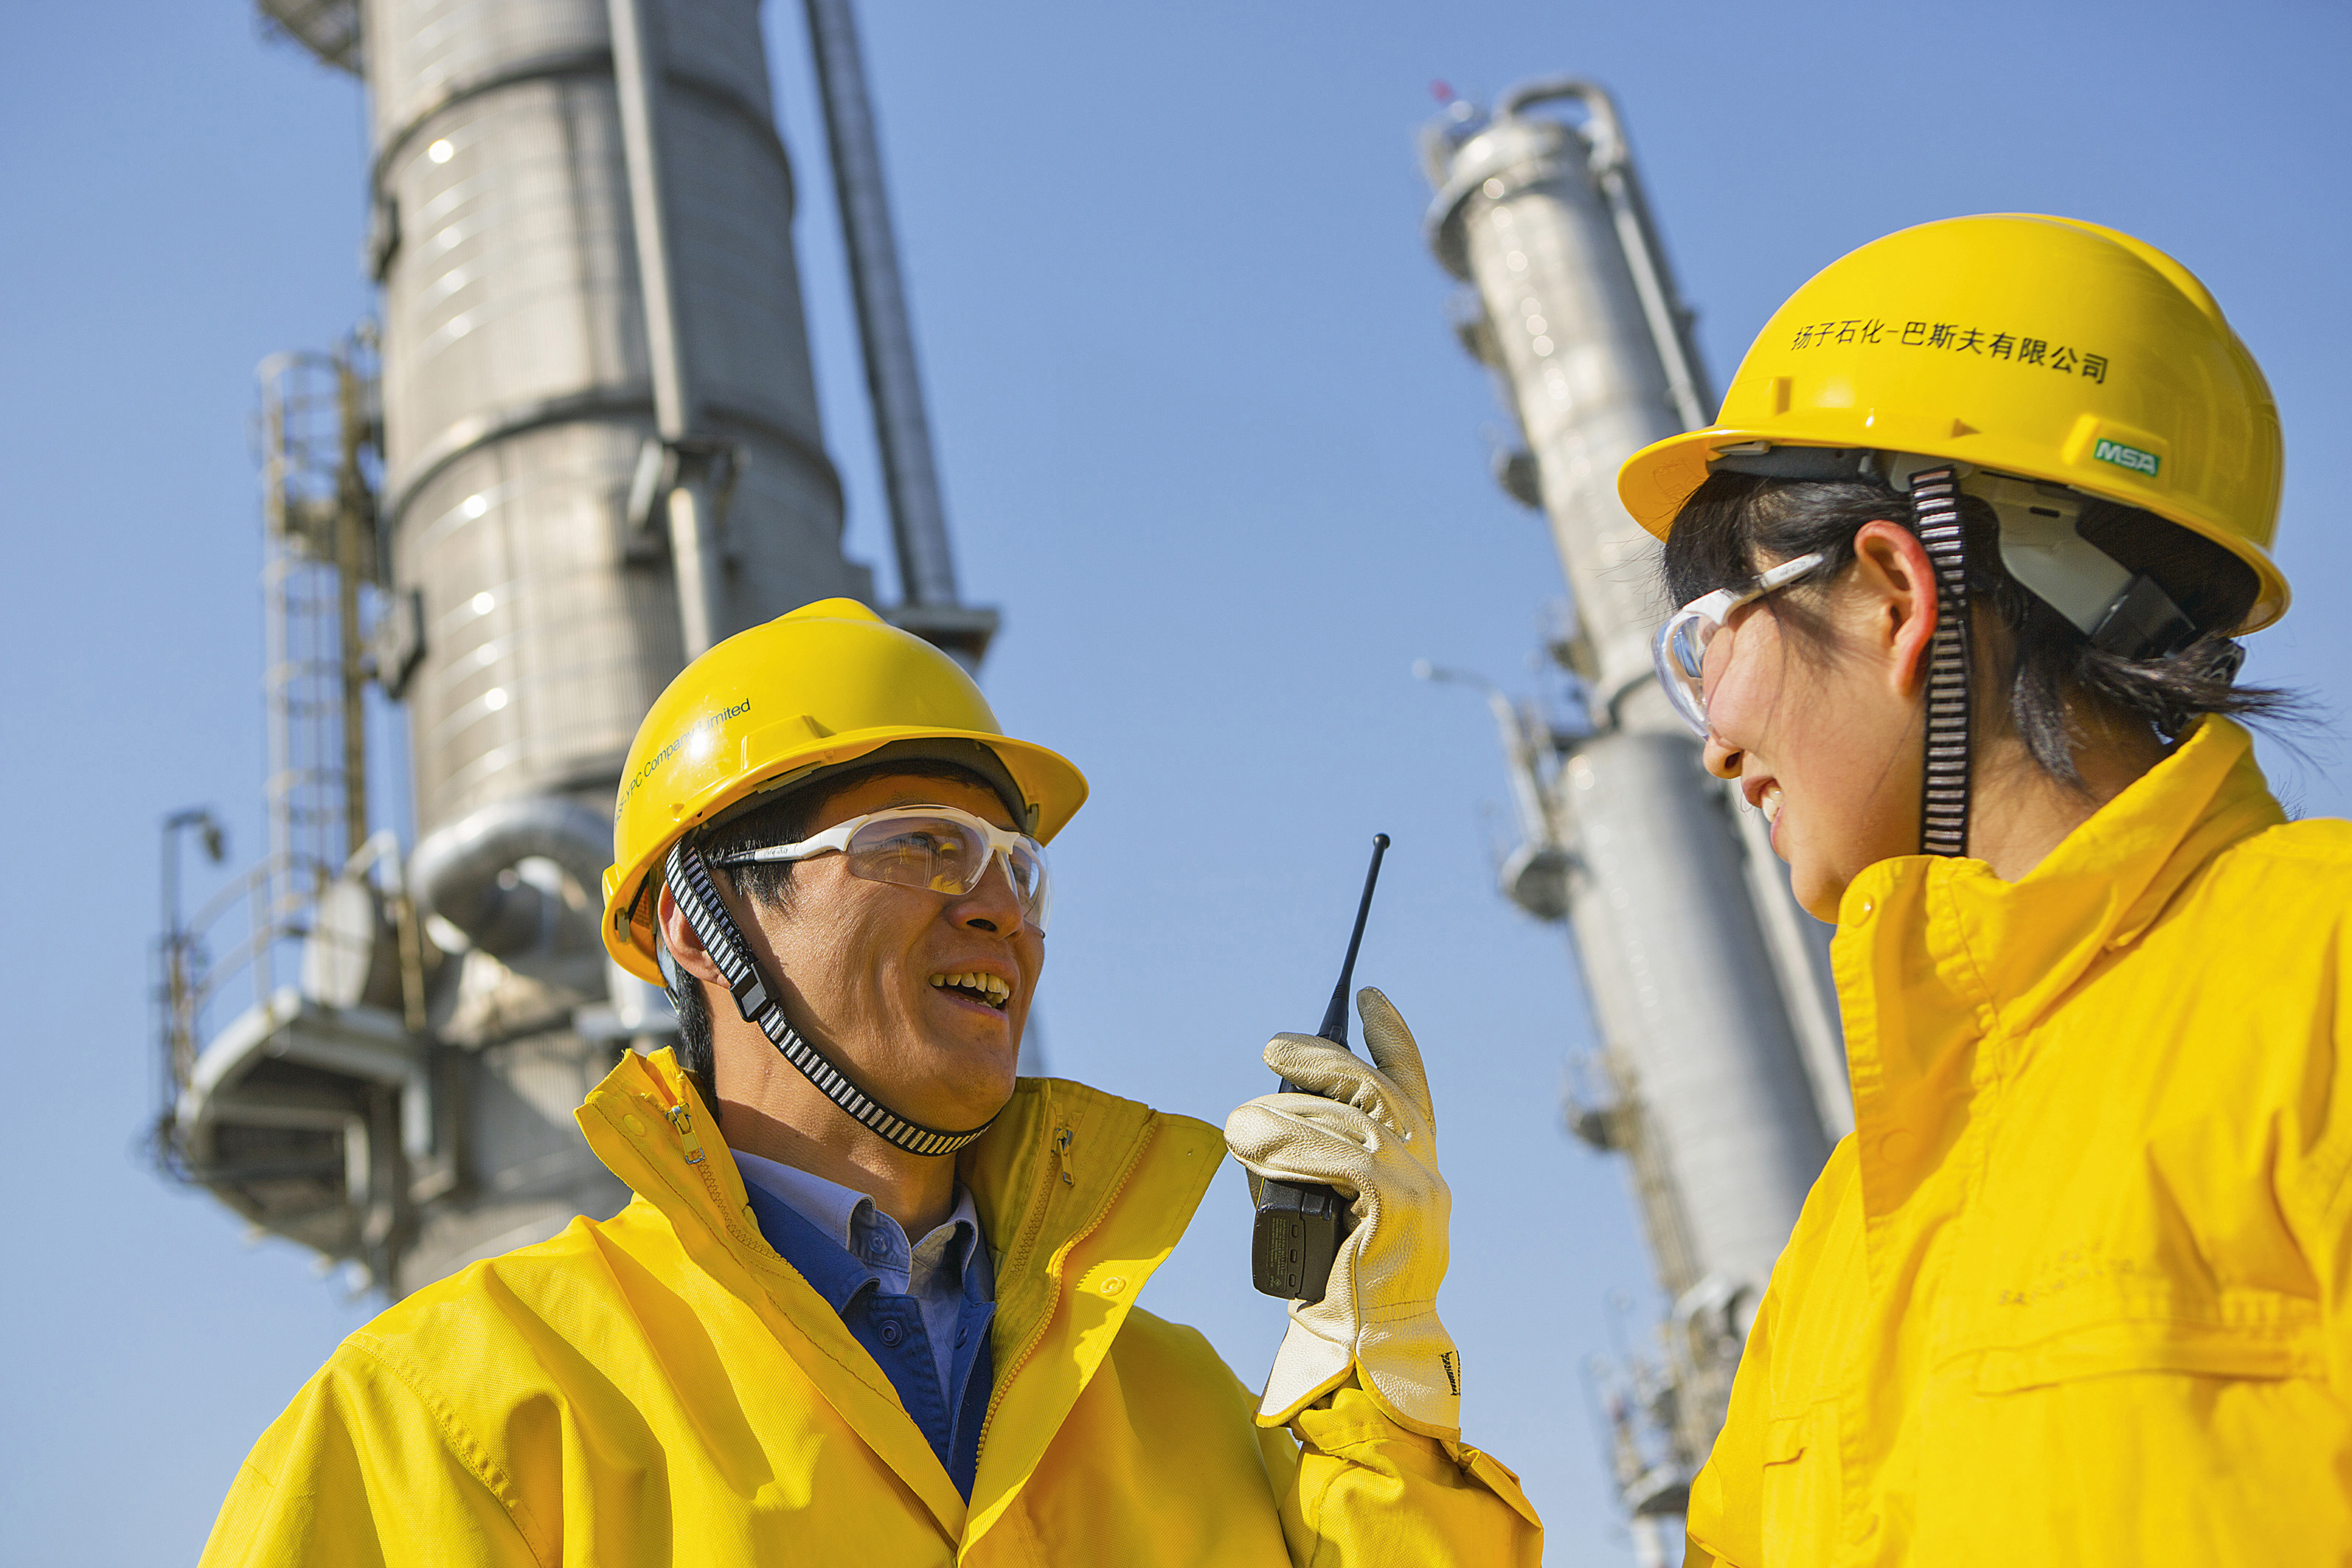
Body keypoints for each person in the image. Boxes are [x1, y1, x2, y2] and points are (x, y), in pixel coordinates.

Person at [199, 597, 1542, 1565]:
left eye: (1018, 868)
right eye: (916, 846)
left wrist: (1379, 1396)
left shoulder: (1184, 1410)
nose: (997, 912)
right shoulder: (460, 1410)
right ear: (693, 917)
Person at [1615, 214, 2346, 1564]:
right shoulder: (1852, 1222)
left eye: (1709, 637)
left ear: (1894, 593)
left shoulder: (2323, 975)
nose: (1711, 736)